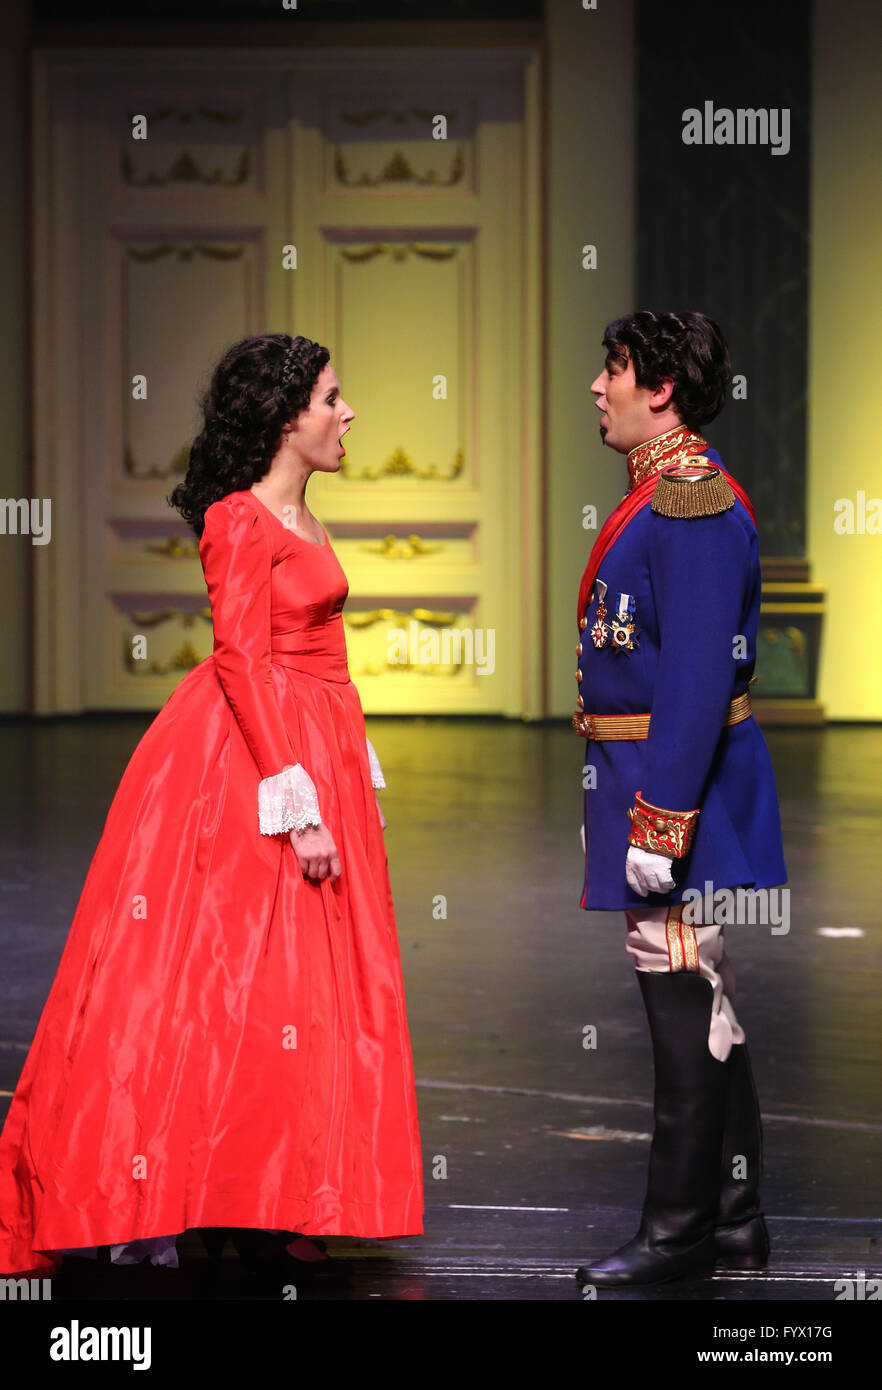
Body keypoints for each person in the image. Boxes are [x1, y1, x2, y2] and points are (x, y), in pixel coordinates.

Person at [0, 332, 424, 1279]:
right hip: (245, 760)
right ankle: (206, 1200)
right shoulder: (237, 520)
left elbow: (328, 665)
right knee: (229, 981)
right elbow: (240, 659)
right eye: (331, 397)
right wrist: (297, 799)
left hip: (313, 748)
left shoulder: (307, 519)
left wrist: (354, 772)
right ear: (285, 419)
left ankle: (267, 1193)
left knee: (299, 989)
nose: (347, 413)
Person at [572, 310, 787, 1287]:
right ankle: (734, 1222)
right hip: (660, 785)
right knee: (704, 1003)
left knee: (681, 1008)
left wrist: (661, 822)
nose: (597, 387)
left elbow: (697, 679)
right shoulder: (658, 491)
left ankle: (678, 1232)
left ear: (658, 389)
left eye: (611, 370)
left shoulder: (690, 499)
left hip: (680, 798)